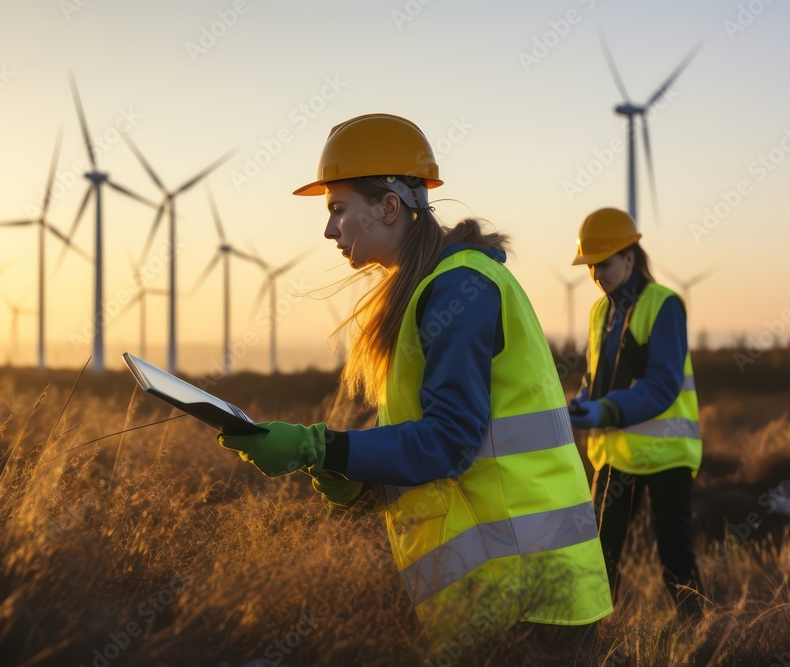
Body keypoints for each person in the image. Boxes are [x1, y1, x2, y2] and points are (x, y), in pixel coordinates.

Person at [217, 113, 612, 659]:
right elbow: (426, 435)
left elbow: (449, 441)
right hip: (501, 582)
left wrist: (319, 444)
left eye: (337, 209)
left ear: (388, 206)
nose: (329, 230)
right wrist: (349, 474)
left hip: (527, 587)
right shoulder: (434, 289)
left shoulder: (460, 289)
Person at [567, 207, 704, 614]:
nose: (595, 276)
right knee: (598, 559)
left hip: (666, 455)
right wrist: (584, 400)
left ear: (630, 257)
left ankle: (701, 637)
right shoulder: (599, 311)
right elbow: (599, 376)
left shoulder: (664, 306)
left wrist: (604, 412)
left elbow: (662, 385)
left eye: (603, 264)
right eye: (590, 267)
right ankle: (594, 642)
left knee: (675, 559)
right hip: (615, 456)